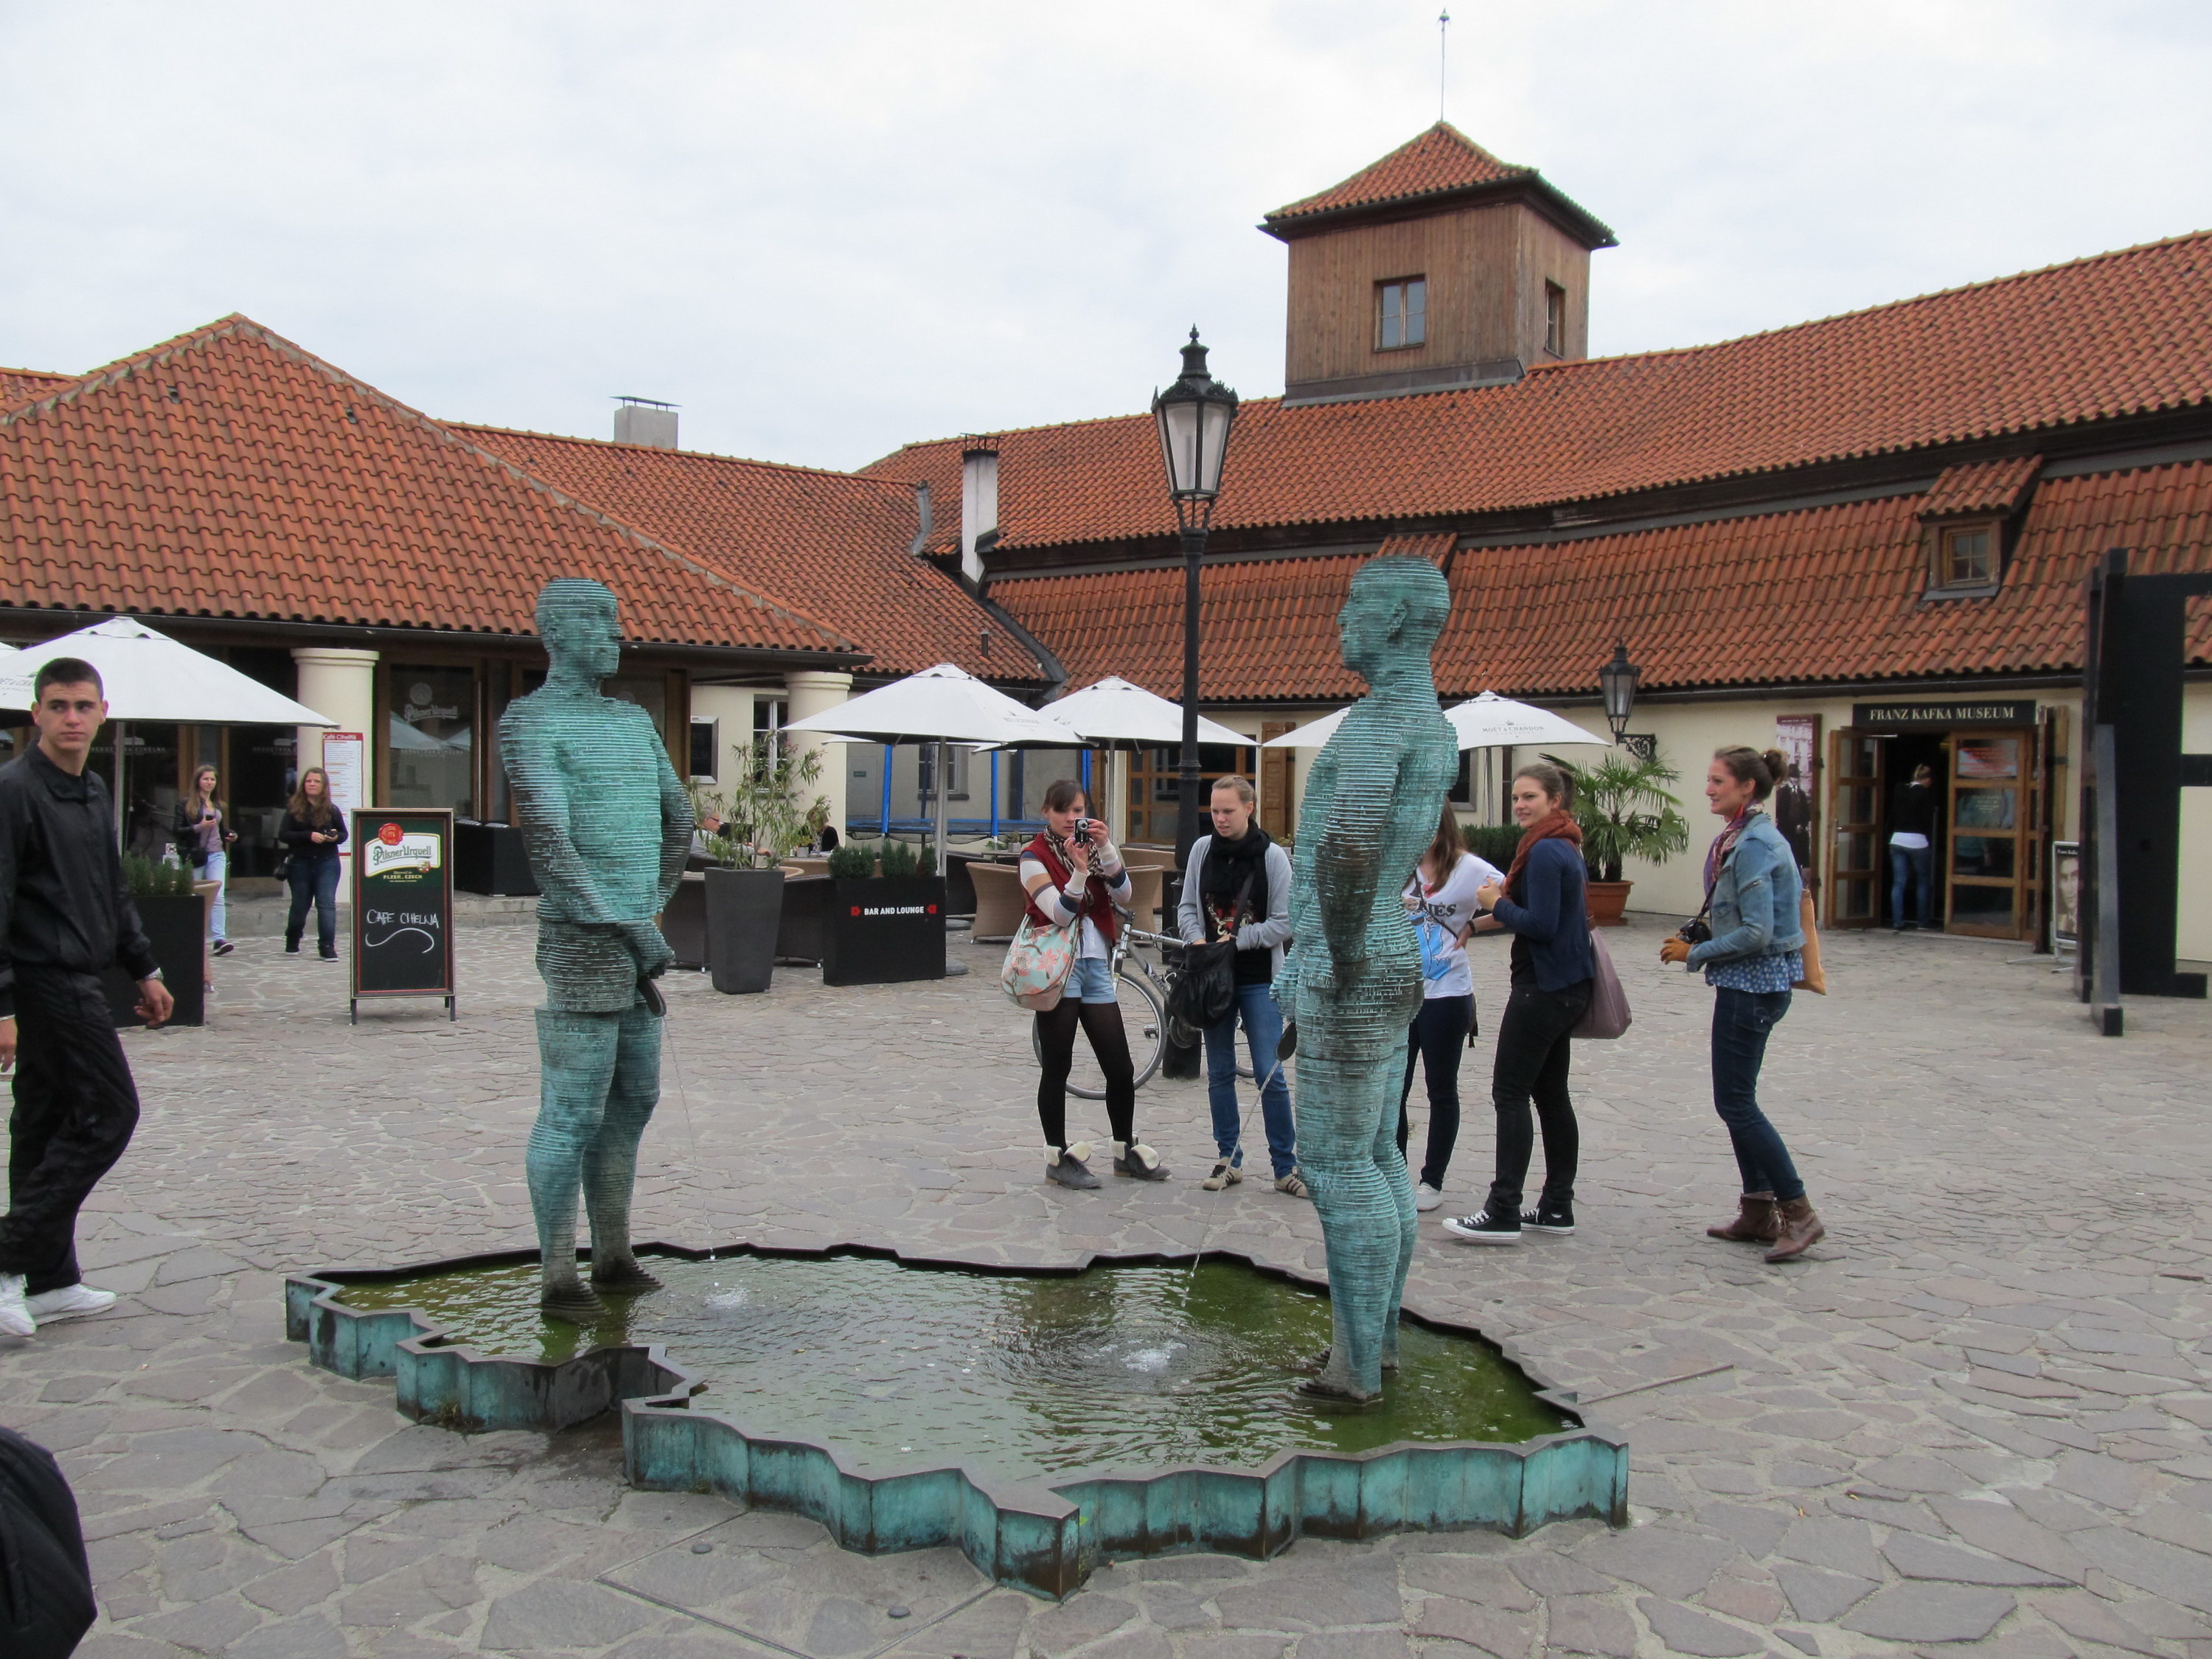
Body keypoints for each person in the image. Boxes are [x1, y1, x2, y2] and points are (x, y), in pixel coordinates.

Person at [0, 657, 173, 1338]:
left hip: (84, 970)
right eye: (58, 706)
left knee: (42, 1123)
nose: (71, 718)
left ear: (103, 713)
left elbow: (111, 887)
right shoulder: (14, 790)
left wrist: (143, 966)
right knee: (109, 1112)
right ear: (36, 714)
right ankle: (8, 1256)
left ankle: (49, 1282)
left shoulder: (95, 789)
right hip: (44, 979)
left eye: (82, 706)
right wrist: (2, 1006)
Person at [1661, 745, 1825, 1262]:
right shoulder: (1740, 835)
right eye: (1709, 780)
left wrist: (1695, 953)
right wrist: (1703, 935)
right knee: (1737, 1099)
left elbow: (1757, 932)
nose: (1708, 789)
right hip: (1747, 984)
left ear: (1747, 786)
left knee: (1736, 1103)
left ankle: (1798, 1212)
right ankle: (1757, 1211)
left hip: (1752, 987)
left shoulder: (1754, 844)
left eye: (1718, 781)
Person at [1444, 762, 1593, 1245]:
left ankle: (1503, 1209)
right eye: (1516, 797)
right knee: (1551, 1095)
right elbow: (1542, 914)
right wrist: (1481, 920)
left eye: (1530, 797)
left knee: (1510, 1093)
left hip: (1542, 987)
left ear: (1555, 800)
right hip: (1567, 984)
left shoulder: (1546, 850)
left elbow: (1542, 925)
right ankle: (1557, 1206)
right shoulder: (1564, 843)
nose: (1521, 805)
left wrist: (1494, 904)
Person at [1023, 780, 1165, 1187]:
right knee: (1057, 1065)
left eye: (1079, 811)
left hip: (1095, 966)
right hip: (1058, 969)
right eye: (1063, 811)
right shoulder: (1032, 857)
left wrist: (1105, 848)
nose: (1072, 819)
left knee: (1120, 1066)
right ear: (1047, 812)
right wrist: (1080, 871)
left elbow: (1125, 894)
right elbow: (1060, 913)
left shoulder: (1093, 849)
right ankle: (1056, 1157)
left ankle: (1124, 1151)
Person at [1178, 775, 1304, 1197]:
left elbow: (1285, 923)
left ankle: (1285, 1165)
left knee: (1270, 1072)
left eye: (1228, 810)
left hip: (1257, 978)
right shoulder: (1202, 850)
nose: (1220, 818)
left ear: (1249, 808)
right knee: (1219, 1071)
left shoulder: (1272, 857)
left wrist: (1239, 940)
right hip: (1212, 978)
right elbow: (1187, 907)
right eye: (1214, 810)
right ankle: (1228, 1158)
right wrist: (1197, 939)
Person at [1397, 798, 1502, 1211]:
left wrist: (1475, 923)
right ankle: (1394, 1173)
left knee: (1441, 1089)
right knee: (1394, 1089)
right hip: (1398, 993)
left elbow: (1514, 901)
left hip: (1448, 994)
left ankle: (1432, 1182)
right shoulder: (1398, 865)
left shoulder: (1469, 868)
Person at [279, 766, 348, 959]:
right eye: (309, 781)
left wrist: (334, 836)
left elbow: (343, 834)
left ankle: (327, 946)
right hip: (300, 863)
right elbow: (283, 834)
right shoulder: (294, 809)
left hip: (327, 862)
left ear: (323, 786)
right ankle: (293, 938)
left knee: (326, 904)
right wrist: (308, 835)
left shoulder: (331, 809)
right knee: (300, 906)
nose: (312, 784)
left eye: (316, 781)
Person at [172, 764, 237, 956]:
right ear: (198, 781)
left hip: (217, 853)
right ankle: (192, 937)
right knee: (194, 896)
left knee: (218, 896)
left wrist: (230, 834)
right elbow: (177, 830)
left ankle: (219, 939)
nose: (209, 782)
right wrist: (199, 827)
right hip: (195, 855)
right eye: (206, 779)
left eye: (212, 779)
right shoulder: (185, 804)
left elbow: (219, 829)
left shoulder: (217, 805)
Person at [1888, 762, 1938, 931]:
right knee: (1923, 881)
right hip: (1918, 840)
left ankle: (1897, 922)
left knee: (1899, 882)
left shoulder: (1900, 790)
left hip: (1897, 839)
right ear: (1928, 780)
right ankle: (1923, 921)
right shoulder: (1924, 794)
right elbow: (1927, 819)